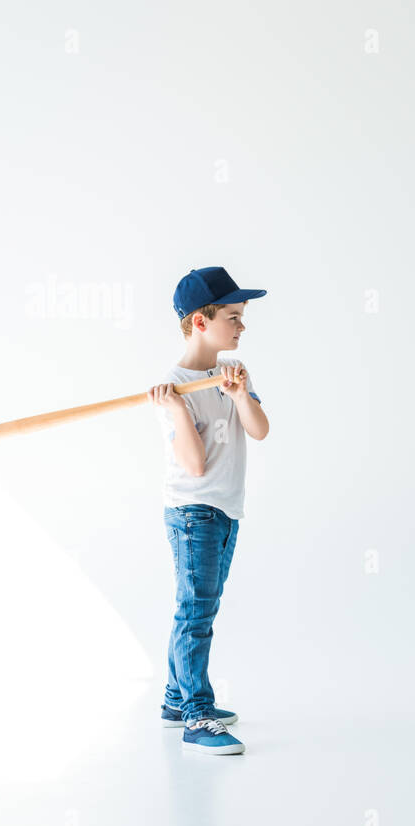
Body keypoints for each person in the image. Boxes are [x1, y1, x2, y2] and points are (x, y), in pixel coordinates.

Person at [149, 266, 270, 755]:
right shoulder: (174, 387)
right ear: (200, 321)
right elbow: (195, 466)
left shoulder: (231, 375)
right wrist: (176, 409)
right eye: (233, 316)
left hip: (224, 510)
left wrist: (240, 394)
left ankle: (176, 700)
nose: (242, 326)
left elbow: (259, 430)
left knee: (202, 608)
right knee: (194, 613)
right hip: (194, 512)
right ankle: (197, 715)